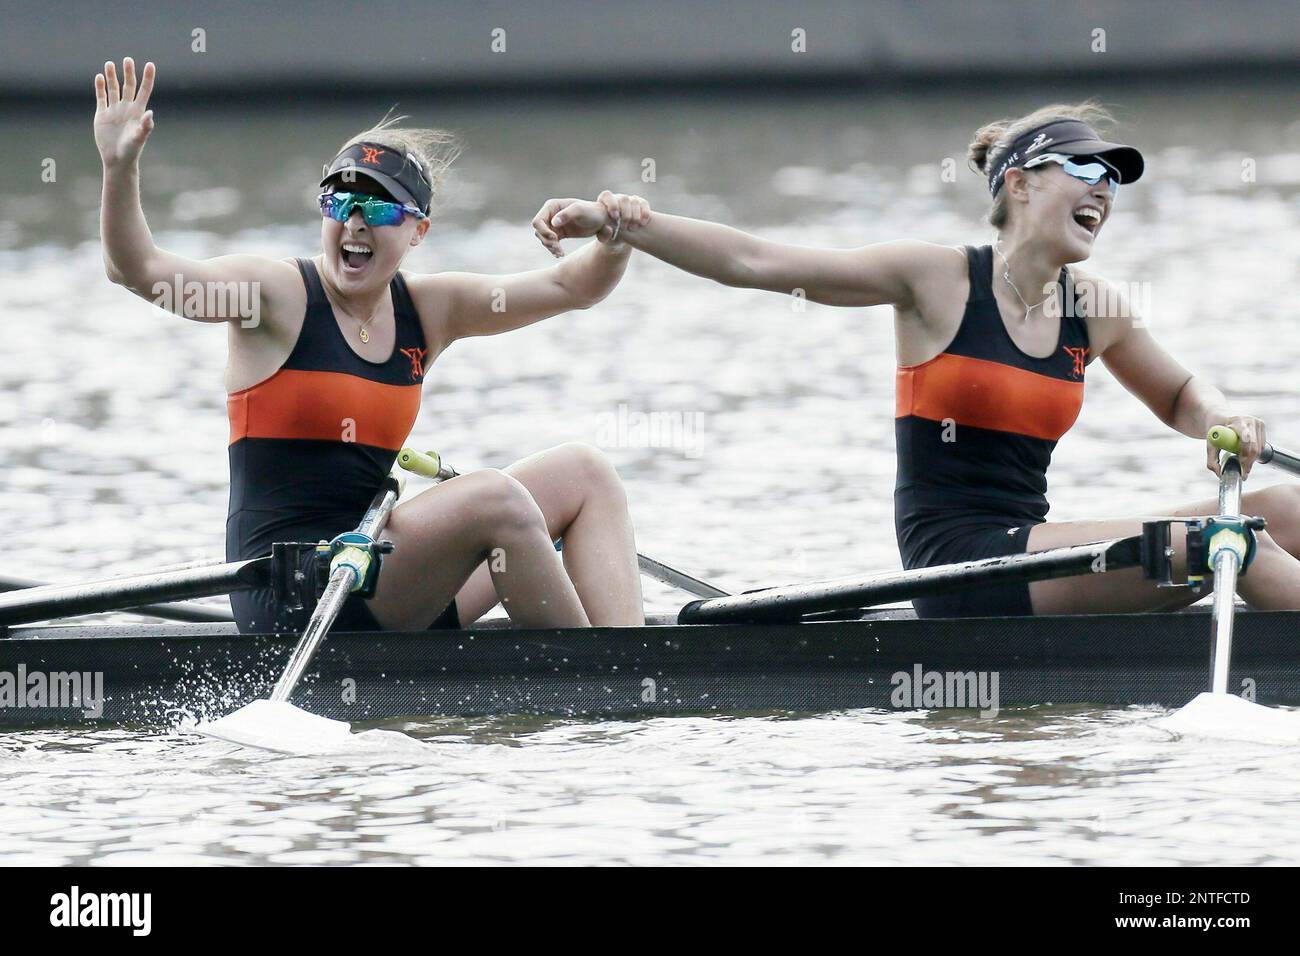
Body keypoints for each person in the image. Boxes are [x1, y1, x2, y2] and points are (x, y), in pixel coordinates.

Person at [533, 100, 1300, 617]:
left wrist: (1221, 416)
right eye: (1088, 172)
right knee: (1224, 545)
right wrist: (629, 223)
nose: (1106, 191)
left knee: (1288, 511)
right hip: (962, 569)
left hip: (1033, 549)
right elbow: (760, 260)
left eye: (1114, 182)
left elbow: (1179, 397)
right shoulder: (937, 279)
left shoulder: (1092, 306)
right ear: (1022, 185)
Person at [95, 57, 644, 633]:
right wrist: (119, 165)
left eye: (379, 207)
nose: (355, 222)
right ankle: (599, 679)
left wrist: (615, 235)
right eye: (339, 201)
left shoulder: (431, 309)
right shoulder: (276, 296)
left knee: (585, 472)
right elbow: (137, 270)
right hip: (296, 593)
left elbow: (572, 286)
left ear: (418, 231)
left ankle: (644, 668)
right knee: (496, 500)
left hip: (381, 572)